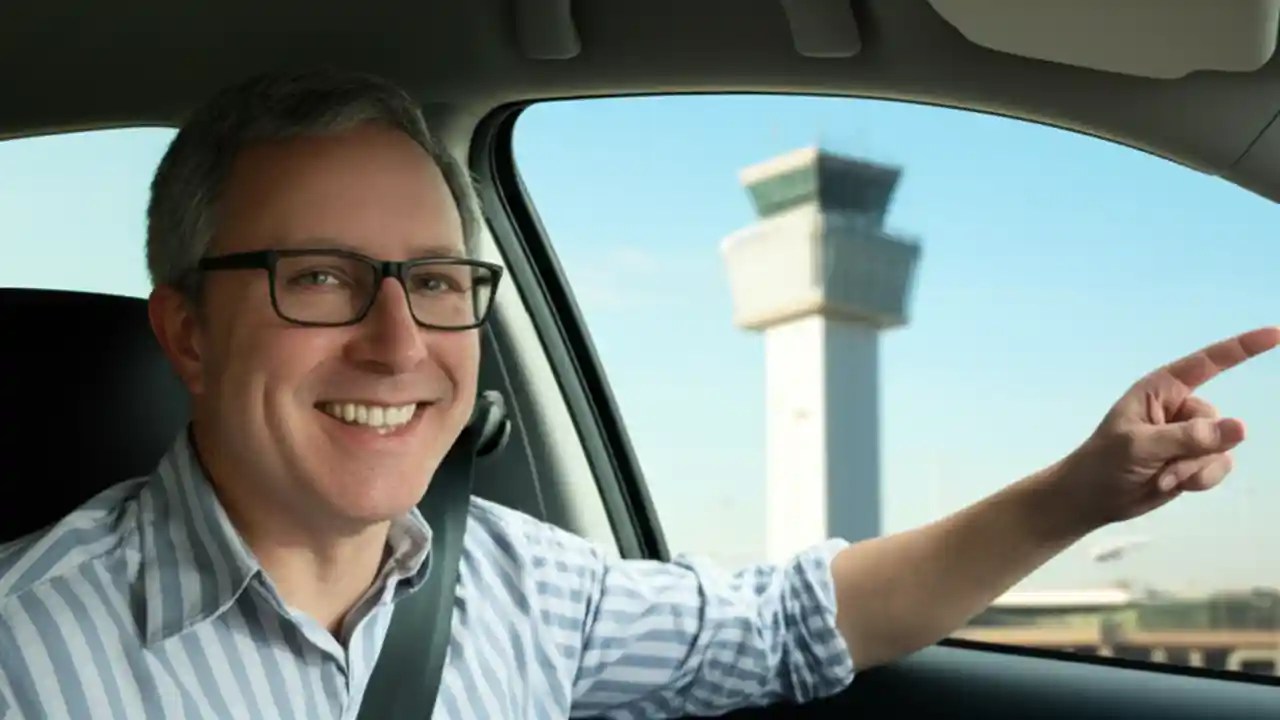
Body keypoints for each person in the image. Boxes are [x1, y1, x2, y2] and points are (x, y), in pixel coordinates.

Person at [0, 68, 1274, 720]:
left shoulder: (520, 585)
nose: (397, 343)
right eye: (320, 279)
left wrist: (1078, 492)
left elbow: (801, 621)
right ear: (187, 333)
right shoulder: (27, 657)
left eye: (436, 281)